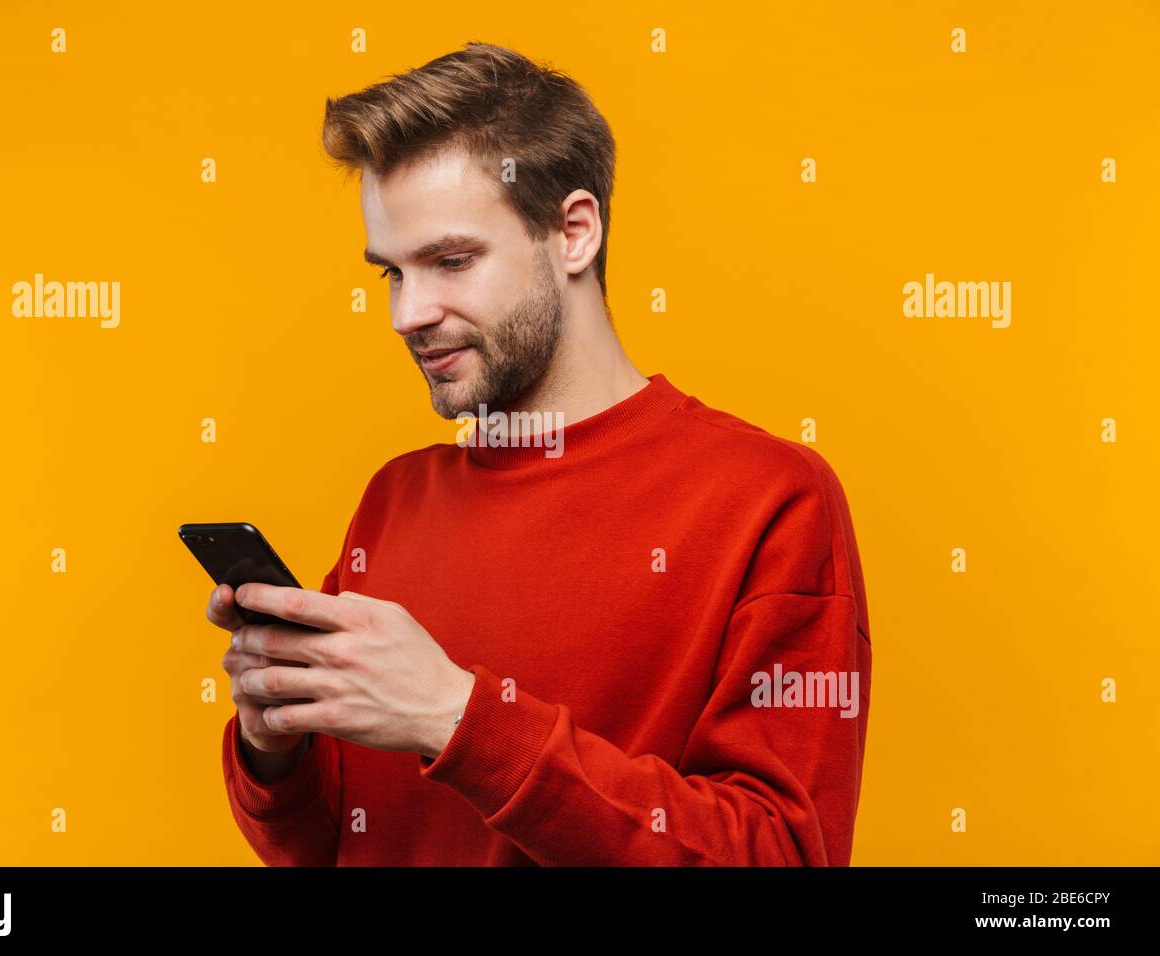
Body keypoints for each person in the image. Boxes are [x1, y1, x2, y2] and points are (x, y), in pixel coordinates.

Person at [210, 41, 872, 866]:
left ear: (573, 233)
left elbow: (778, 855)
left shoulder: (770, 499)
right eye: (391, 274)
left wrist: (457, 718)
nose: (407, 314)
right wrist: (276, 744)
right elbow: (326, 846)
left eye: (450, 261)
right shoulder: (396, 499)